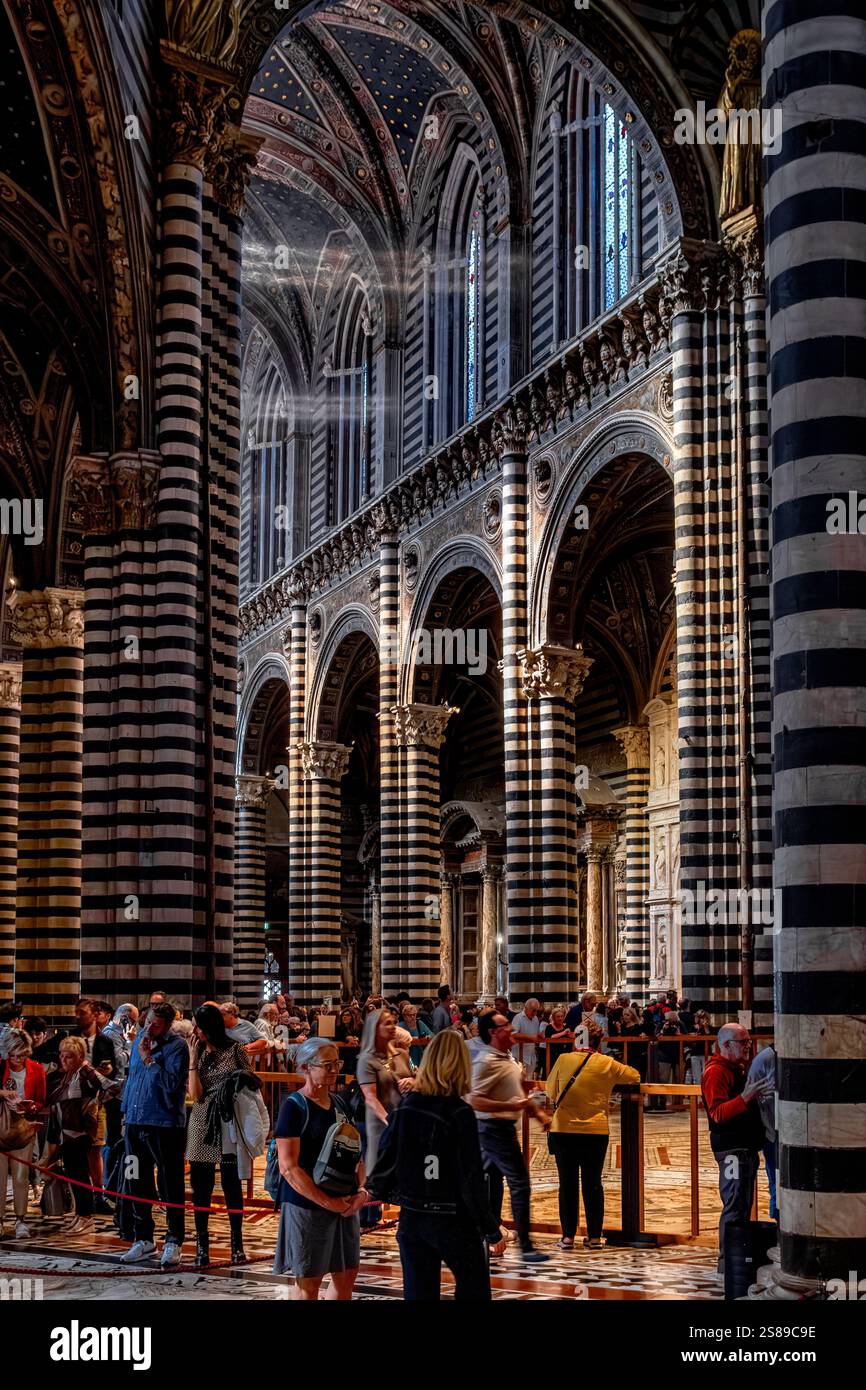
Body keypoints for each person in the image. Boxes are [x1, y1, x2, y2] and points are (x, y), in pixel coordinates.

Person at [369, 1030, 505, 1300]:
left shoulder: (407, 1108)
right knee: (474, 1292)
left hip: (413, 1218)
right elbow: (470, 1178)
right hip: (453, 1220)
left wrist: (371, 1192)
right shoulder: (458, 1112)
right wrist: (491, 1228)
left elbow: (386, 1159)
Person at [272, 1037, 369, 1299]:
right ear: (305, 1067)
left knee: (347, 1274)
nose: (335, 1070)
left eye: (336, 1063)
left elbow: (355, 1153)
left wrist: (361, 1190)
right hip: (308, 1207)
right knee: (309, 1281)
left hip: (345, 1204)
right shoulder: (294, 1107)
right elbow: (289, 1168)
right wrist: (328, 1202)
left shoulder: (340, 1104)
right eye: (327, 1065)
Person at [546, 1020, 640, 1248]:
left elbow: (550, 1091)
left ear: (577, 1039)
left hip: (564, 1130)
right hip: (595, 1131)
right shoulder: (607, 1063)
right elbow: (635, 1076)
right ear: (600, 1041)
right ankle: (595, 1236)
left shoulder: (563, 1060)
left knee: (567, 1184)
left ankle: (568, 1237)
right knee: (593, 1184)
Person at [468, 1010, 549, 1263]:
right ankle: (525, 1246)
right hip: (493, 1130)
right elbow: (474, 1099)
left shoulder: (508, 1059)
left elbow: (517, 1094)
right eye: (505, 1026)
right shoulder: (486, 1062)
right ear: (493, 1032)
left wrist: (537, 1113)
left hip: (499, 1128)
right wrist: (509, 1108)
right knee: (519, 1183)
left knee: (485, 1185)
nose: (511, 1029)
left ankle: (486, 1234)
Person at [119, 1002, 190, 1266]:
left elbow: (173, 1085)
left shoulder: (177, 1047)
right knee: (136, 1178)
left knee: (170, 1184)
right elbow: (133, 1078)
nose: (149, 1028)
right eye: (147, 1022)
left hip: (164, 1124)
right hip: (135, 1122)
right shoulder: (139, 1041)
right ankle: (143, 1238)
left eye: (156, 1025)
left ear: (168, 1025)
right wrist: (126, 1111)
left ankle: (174, 1240)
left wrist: (150, 1058)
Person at [701, 1023, 772, 1276]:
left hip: (744, 1147)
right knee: (733, 1205)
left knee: (742, 1204)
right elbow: (717, 1113)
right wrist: (746, 1097)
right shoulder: (716, 1072)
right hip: (732, 1149)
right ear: (727, 1044)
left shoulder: (734, 1068)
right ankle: (727, 1263)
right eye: (743, 1041)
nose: (748, 1046)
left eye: (748, 1041)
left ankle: (738, 1259)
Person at [186, 1002, 252, 1266]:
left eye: (197, 1026)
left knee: (231, 1185)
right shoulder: (197, 1052)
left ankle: (237, 1242)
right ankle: (202, 1244)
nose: (194, 1031)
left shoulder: (235, 1049)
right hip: (202, 1121)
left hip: (228, 1122)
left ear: (207, 1027)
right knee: (201, 1187)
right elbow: (196, 1094)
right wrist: (192, 1060)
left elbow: (251, 1082)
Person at [44, 1036, 120, 1237]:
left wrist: (94, 1104)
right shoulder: (68, 1074)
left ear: (78, 1056)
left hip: (81, 1132)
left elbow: (113, 1087)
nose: (63, 1060)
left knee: (79, 1173)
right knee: (73, 1173)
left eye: (68, 1056)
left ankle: (86, 1217)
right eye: (61, 1055)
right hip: (65, 1132)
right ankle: (81, 1214)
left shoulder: (86, 1072)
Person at [356, 1007, 414, 1177]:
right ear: (375, 1028)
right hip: (382, 1123)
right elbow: (371, 1098)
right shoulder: (367, 1060)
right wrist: (391, 1123)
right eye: (387, 1023)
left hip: (404, 1119)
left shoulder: (402, 1055)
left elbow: (418, 1079)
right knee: (379, 1175)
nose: (393, 1026)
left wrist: (414, 1081)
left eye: (394, 1023)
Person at [0, 1029, 45, 1239]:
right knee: (0, 1178)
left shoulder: (36, 1070)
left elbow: (41, 1100)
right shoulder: (0, 1067)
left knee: (21, 1176)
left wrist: (30, 1106)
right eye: (13, 1055)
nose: (17, 1060)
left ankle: (20, 1220)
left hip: (24, 1127)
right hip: (1, 1128)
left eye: (22, 1055)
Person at [747, 1043, 778, 1222]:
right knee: (776, 1181)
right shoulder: (767, 1058)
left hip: (778, 1130)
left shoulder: (767, 1057)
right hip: (771, 1132)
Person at [510, 997, 544, 1079]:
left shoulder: (535, 1019)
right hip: (519, 1055)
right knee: (519, 1081)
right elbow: (513, 1034)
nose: (535, 1013)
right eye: (533, 1010)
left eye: (536, 1010)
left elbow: (535, 1034)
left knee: (529, 1081)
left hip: (531, 1055)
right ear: (526, 1008)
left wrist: (539, 1035)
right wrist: (530, 1037)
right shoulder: (518, 1018)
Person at [398, 1002, 431, 1069]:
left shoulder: (420, 1024)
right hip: (406, 1057)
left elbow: (432, 1036)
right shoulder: (400, 1026)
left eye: (414, 1015)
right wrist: (416, 1040)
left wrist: (424, 1039)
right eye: (410, 1015)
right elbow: (399, 1042)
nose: (413, 1017)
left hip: (420, 1056)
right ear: (404, 1016)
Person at [543, 1007, 573, 1077]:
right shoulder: (549, 1027)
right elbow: (550, 1037)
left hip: (564, 1056)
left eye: (562, 1016)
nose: (560, 1018)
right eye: (558, 1017)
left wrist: (571, 1035)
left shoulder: (566, 1027)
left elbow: (571, 1037)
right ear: (553, 1018)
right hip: (551, 1056)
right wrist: (563, 1033)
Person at [335, 1006, 363, 1074]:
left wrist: (357, 1039)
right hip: (343, 1053)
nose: (344, 1017)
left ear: (353, 1017)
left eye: (347, 1015)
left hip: (355, 1052)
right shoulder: (338, 1028)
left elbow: (362, 1039)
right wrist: (346, 1038)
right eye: (343, 1015)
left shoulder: (359, 1027)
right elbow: (336, 1039)